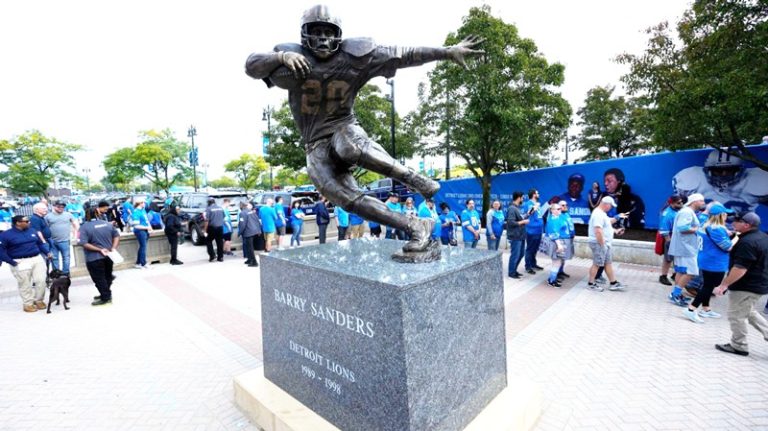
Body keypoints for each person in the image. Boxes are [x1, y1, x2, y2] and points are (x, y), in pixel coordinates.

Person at [245, 4, 482, 254]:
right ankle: (415, 227)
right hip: (314, 144)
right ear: (305, 34)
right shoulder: (291, 58)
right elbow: (251, 65)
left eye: (328, 32)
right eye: (317, 32)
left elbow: (405, 54)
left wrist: (446, 52)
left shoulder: (354, 56)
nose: (323, 38)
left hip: (343, 126)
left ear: (338, 34)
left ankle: (414, 178)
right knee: (346, 199)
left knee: (349, 146)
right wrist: (280, 57)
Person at [713, 212, 768, 356]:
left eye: (736, 221)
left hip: (746, 286)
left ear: (747, 225)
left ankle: (739, 345)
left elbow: (740, 269)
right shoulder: (762, 237)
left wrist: (723, 285)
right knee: (749, 312)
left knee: (736, 315)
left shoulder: (747, 242)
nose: (733, 223)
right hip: (759, 283)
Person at [682, 203, 735, 323]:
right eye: (725, 213)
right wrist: (737, 238)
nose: (727, 215)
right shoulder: (717, 229)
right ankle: (691, 309)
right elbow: (727, 247)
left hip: (706, 260)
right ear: (720, 216)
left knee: (707, 285)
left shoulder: (706, 226)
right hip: (714, 263)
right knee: (709, 286)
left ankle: (706, 309)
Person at [673, 148, 768, 215]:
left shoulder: (759, 178)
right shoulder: (690, 177)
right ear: (707, 169)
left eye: (729, 170)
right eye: (718, 170)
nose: (723, 174)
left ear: (740, 169)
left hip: (741, 228)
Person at [0, 215, 52, 312]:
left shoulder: (32, 230)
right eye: (26, 221)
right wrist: (11, 262)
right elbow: (1, 251)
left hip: (37, 258)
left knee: (41, 280)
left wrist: (47, 252)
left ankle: (38, 300)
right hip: (20, 261)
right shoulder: (5, 235)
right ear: (18, 223)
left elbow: (39, 243)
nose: (29, 222)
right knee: (25, 283)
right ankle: (28, 303)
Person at [668, 193, 706, 306]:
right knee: (691, 272)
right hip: (686, 248)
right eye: (701, 201)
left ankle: (676, 294)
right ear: (694, 202)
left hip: (683, 247)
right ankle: (676, 294)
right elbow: (683, 228)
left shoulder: (686, 211)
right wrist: (697, 229)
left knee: (681, 271)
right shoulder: (687, 212)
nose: (703, 203)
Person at [79, 206, 120, 306]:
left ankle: (106, 298)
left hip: (94, 258)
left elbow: (84, 243)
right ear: (99, 214)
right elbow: (116, 236)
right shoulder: (107, 224)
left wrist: (100, 249)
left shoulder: (84, 227)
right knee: (107, 276)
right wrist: (113, 248)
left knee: (99, 278)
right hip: (109, 256)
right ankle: (105, 294)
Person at [586, 196, 626, 292]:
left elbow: (607, 223)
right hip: (599, 243)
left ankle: (613, 283)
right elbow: (598, 231)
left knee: (607, 263)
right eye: (611, 206)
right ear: (606, 204)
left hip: (604, 244)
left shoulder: (602, 213)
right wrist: (602, 244)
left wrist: (616, 230)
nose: (611, 207)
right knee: (597, 263)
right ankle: (591, 284)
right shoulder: (598, 214)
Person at [45, 200, 79, 275]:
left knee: (66, 258)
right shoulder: (48, 216)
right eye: (59, 206)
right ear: (54, 206)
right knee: (54, 258)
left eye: (62, 207)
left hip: (65, 240)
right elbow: (45, 228)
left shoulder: (68, 214)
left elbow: (75, 224)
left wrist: (75, 234)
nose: (61, 208)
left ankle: (66, 273)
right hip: (52, 241)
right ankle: (57, 273)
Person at [543, 203, 572, 288]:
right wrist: (559, 245)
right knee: (556, 262)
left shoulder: (558, 217)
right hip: (556, 243)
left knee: (558, 262)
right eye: (558, 209)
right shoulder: (552, 220)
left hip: (561, 241)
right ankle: (552, 280)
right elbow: (554, 234)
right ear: (552, 210)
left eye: (560, 208)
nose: (560, 210)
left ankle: (552, 279)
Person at [658, 195, 684, 286]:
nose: (681, 204)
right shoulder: (668, 214)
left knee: (677, 258)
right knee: (668, 259)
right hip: (670, 238)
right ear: (672, 203)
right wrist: (668, 241)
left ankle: (675, 274)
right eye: (678, 203)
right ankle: (663, 276)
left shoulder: (676, 211)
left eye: (681, 202)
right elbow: (664, 229)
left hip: (677, 238)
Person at [506, 191, 529, 279]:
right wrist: (523, 222)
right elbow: (510, 222)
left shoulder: (517, 208)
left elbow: (520, 218)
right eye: (522, 198)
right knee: (515, 254)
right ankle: (511, 273)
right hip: (515, 236)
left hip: (521, 235)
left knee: (521, 254)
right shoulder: (512, 208)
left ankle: (514, 270)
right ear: (519, 198)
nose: (523, 199)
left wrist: (528, 214)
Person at [522, 189, 544, 274]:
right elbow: (528, 213)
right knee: (530, 249)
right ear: (534, 194)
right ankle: (528, 266)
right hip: (531, 230)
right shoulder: (528, 204)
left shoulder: (537, 204)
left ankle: (533, 264)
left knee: (535, 249)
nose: (538, 194)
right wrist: (534, 207)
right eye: (537, 193)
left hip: (539, 230)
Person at [557, 200, 575, 280]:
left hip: (569, 238)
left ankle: (561, 271)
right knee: (559, 258)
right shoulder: (558, 215)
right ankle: (557, 273)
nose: (565, 206)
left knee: (564, 257)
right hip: (562, 239)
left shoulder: (567, 214)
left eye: (566, 205)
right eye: (563, 205)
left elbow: (570, 225)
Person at [131, 200, 152, 269]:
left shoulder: (143, 210)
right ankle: (143, 263)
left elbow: (146, 220)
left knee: (142, 247)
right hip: (140, 231)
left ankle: (138, 263)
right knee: (143, 247)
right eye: (143, 202)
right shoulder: (135, 212)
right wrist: (147, 227)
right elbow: (136, 226)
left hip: (145, 230)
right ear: (140, 203)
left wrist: (149, 228)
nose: (145, 204)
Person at [239, 202, 262, 267]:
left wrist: (240, 232)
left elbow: (242, 224)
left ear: (241, 207)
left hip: (248, 232)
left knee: (249, 247)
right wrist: (259, 230)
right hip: (254, 231)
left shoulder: (242, 213)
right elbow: (257, 221)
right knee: (248, 246)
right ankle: (249, 259)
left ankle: (254, 262)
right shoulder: (251, 211)